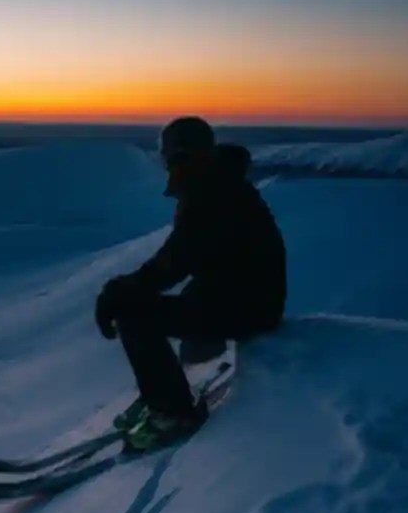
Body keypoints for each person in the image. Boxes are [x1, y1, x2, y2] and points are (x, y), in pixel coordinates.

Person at [95, 116, 286, 451]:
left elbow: (173, 263)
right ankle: (161, 391)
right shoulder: (219, 183)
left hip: (247, 306)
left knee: (134, 317)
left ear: (183, 156)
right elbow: (188, 258)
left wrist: (119, 292)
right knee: (161, 304)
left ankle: (172, 412)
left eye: (170, 157)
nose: (168, 165)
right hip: (245, 297)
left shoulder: (211, 194)